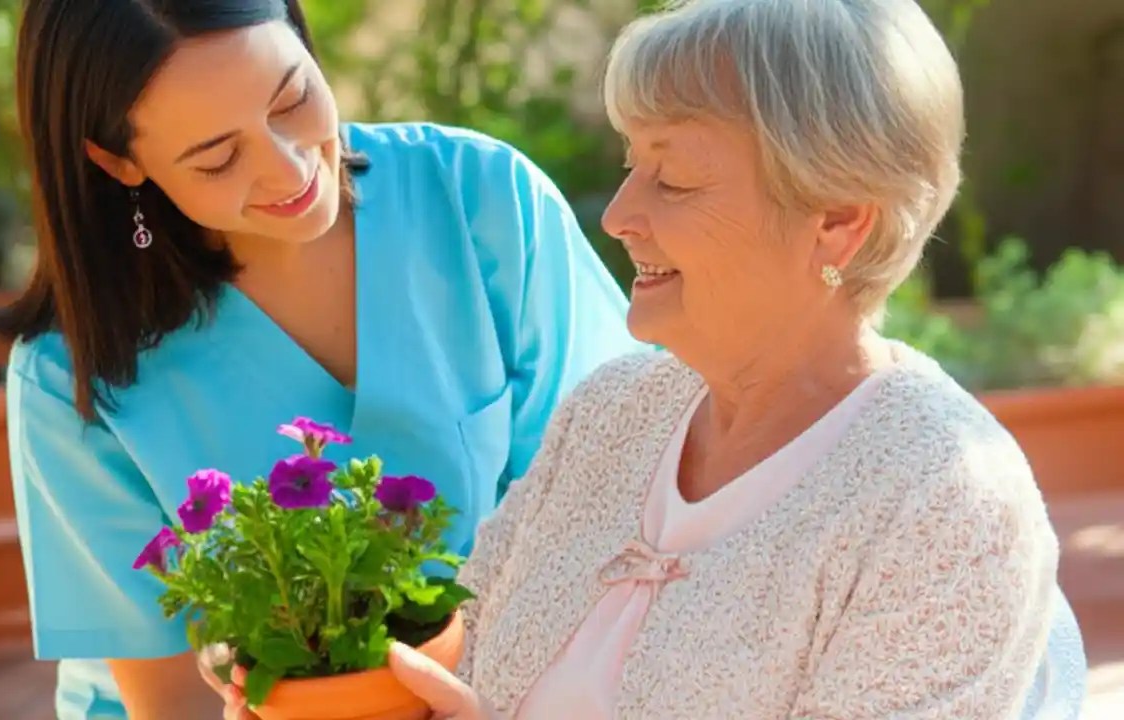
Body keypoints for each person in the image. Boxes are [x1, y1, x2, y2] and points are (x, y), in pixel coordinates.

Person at [358, 0, 1089, 717]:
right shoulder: (608, 412)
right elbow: (467, 661)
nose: (616, 216)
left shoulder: (947, 496)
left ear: (836, 222)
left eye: (672, 179)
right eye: (631, 163)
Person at [0, 1, 642, 718]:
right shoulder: (72, 372)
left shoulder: (480, 199)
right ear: (119, 162)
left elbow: (617, 499)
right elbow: (169, 703)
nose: (289, 167)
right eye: (218, 156)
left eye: (293, 100)